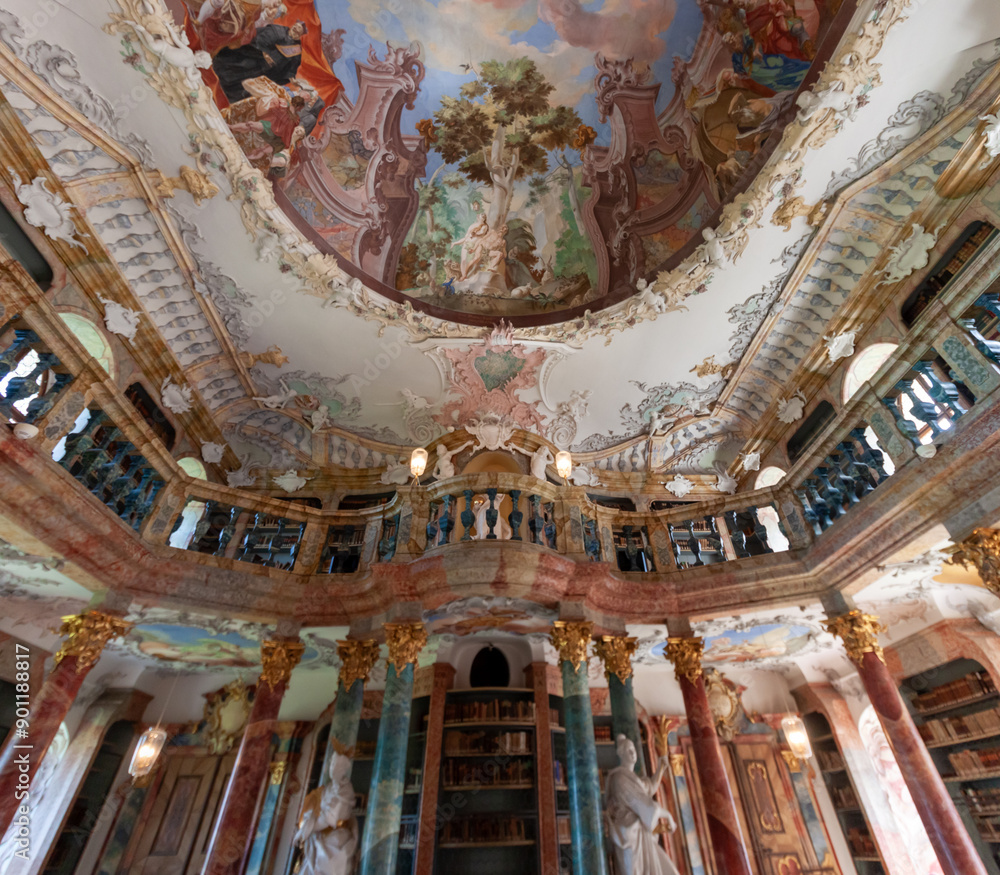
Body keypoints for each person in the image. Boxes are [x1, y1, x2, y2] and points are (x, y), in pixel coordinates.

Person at [605, 735, 680, 875]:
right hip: (630, 839)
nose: (633, 752)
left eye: (633, 749)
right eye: (628, 750)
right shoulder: (620, 779)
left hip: (641, 836)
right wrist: (668, 815)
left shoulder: (633, 779)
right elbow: (646, 806)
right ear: (621, 754)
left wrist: (661, 767)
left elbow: (649, 787)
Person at [294, 744, 358, 875]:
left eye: (336, 764)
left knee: (328, 866)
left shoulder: (345, 789)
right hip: (323, 836)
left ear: (343, 768)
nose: (332, 767)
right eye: (332, 763)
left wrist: (306, 829)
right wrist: (307, 827)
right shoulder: (328, 788)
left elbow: (331, 818)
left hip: (336, 840)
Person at [214, 20, 307, 102]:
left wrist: (291, 78)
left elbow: (292, 67)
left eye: (298, 29)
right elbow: (261, 40)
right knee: (238, 68)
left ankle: (226, 93)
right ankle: (217, 77)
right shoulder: (278, 31)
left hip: (267, 71)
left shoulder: (296, 50)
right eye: (296, 26)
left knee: (245, 84)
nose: (295, 28)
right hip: (255, 57)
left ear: (300, 34)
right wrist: (264, 54)